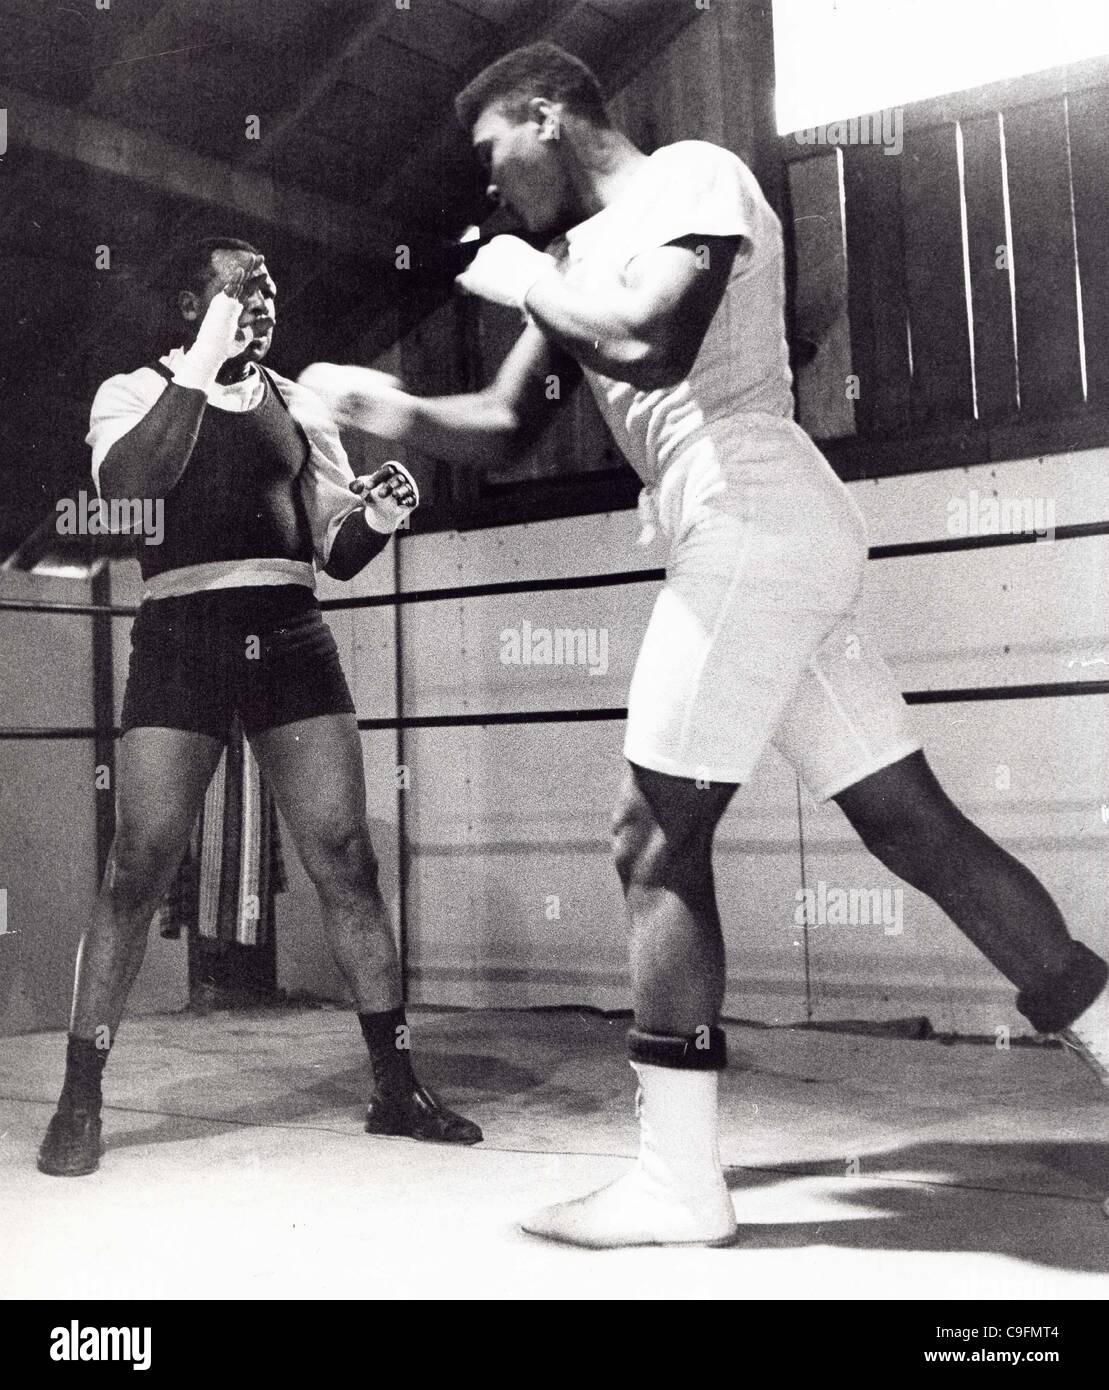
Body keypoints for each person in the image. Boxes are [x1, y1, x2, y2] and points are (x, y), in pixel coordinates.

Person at [299, 44, 1109, 1248]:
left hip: (748, 511)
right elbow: (507, 422)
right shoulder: (565, 260)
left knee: (647, 834)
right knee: (909, 823)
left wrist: (524, 277)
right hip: (748, 541)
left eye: (492, 155)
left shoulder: (690, 177)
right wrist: (375, 403)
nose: (491, 189)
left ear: (543, 114)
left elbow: (650, 345)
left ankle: (676, 1184)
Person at [37, 237, 482, 1178]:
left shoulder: (300, 403)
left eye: (270, 284)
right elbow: (129, 490)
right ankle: (81, 1098)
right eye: (240, 288)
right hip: (180, 634)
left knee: (344, 856)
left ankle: (394, 1086)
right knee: (138, 861)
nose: (263, 297)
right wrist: (204, 357)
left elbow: (334, 546)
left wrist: (381, 516)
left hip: (288, 630)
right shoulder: (130, 393)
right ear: (190, 305)